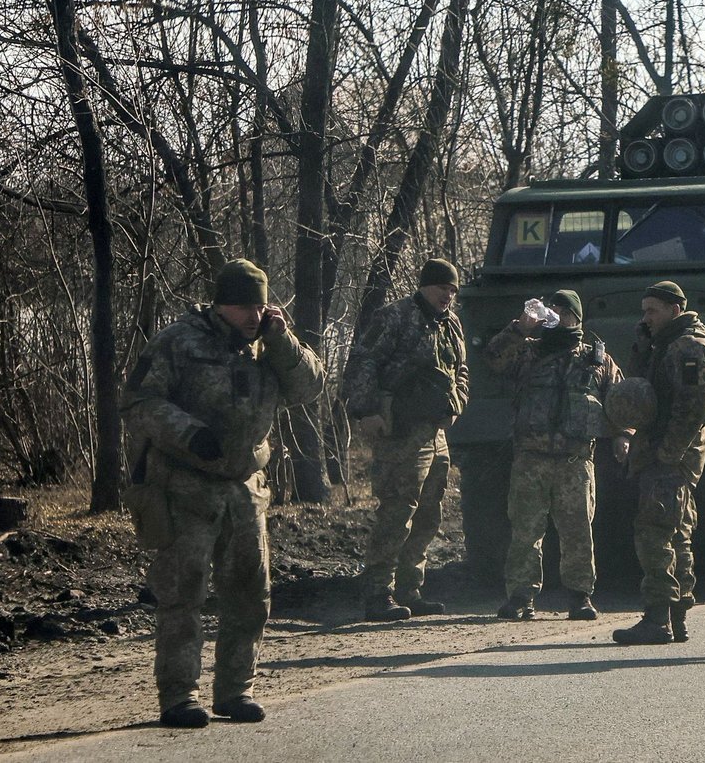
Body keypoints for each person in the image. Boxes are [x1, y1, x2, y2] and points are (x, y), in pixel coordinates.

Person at [120, 258, 326, 728]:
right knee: (183, 594)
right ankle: (179, 697)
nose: (253, 316)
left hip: (245, 487)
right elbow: (138, 401)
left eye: (259, 306)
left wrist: (282, 341)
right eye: (243, 307)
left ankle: (236, 691)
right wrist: (189, 433)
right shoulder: (179, 340)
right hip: (184, 486)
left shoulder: (270, 346)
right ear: (220, 305)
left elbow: (310, 386)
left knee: (251, 594)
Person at [484, 290, 628, 621]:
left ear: (577, 317)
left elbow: (618, 400)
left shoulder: (598, 359)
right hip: (530, 459)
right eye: (554, 310)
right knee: (525, 531)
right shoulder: (528, 352)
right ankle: (521, 597)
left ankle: (580, 597)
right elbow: (492, 357)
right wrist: (521, 328)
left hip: (575, 461)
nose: (557, 316)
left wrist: (623, 436)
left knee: (578, 530)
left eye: (564, 312)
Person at [342, 258, 469, 621]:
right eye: (443, 287)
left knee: (430, 513)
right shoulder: (393, 317)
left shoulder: (452, 325)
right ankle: (378, 593)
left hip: (436, 433)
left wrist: (457, 403)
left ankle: (410, 590)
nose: (449, 295)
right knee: (398, 512)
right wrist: (366, 411)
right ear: (426, 286)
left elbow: (461, 370)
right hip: (399, 431)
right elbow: (363, 362)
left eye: (453, 290)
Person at [612, 281, 705, 645]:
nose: (646, 317)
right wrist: (642, 345)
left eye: (651, 311)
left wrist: (667, 455)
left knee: (654, 533)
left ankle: (658, 617)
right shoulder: (666, 344)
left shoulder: (688, 346)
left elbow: (693, 408)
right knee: (677, 531)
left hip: (672, 452)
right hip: (668, 450)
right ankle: (676, 616)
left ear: (674, 310)